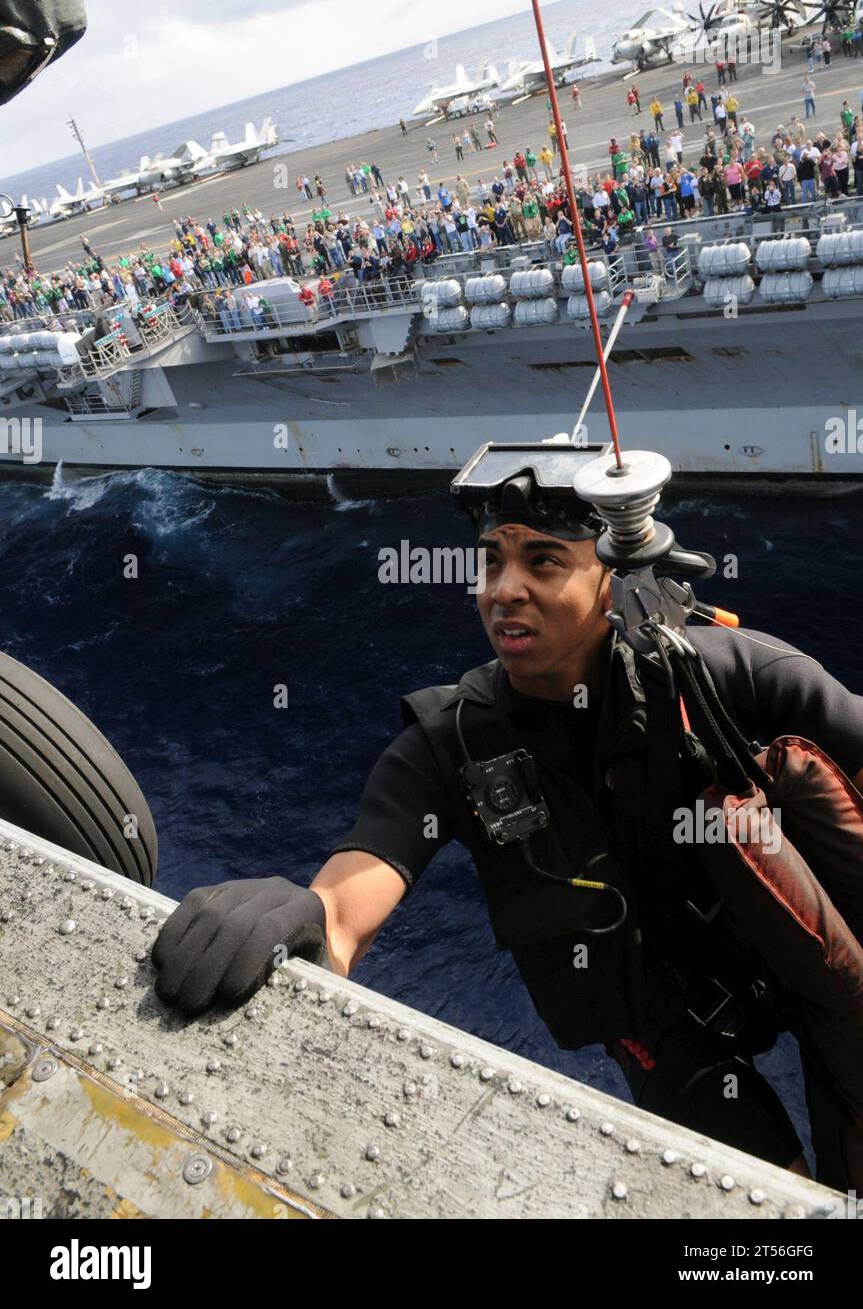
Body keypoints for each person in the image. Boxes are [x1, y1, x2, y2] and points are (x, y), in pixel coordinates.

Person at [151, 451, 863, 1192]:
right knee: (761, 1207)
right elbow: (350, 897)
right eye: (490, 562)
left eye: (544, 562)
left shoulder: (721, 674)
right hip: (658, 1023)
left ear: (609, 581)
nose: (503, 590)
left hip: (802, 962)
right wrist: (305, 915)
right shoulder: (451, 741)